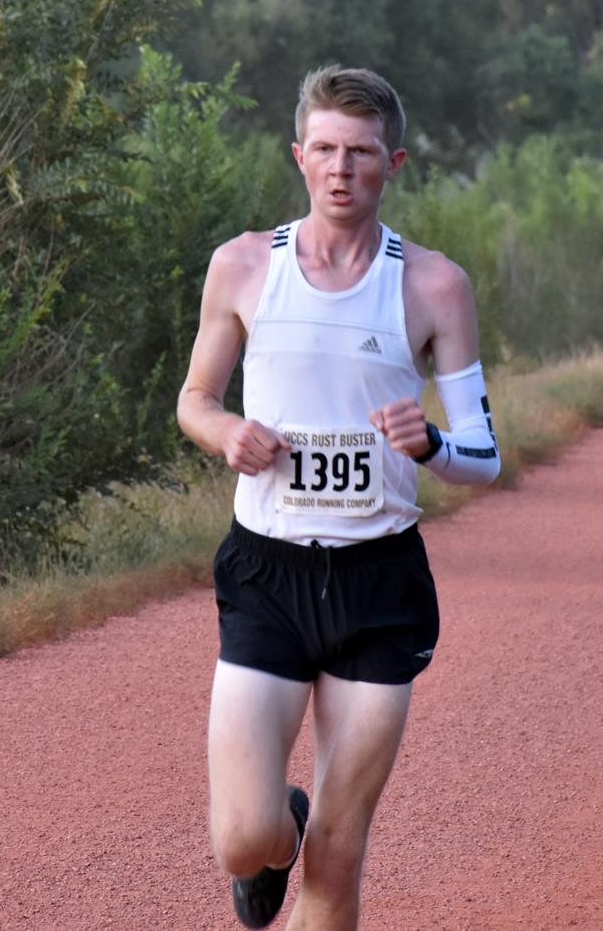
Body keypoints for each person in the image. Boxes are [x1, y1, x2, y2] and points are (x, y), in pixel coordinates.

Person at [176, 65, 501, 929]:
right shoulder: (243, 266)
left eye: (360, 152)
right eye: (324, 149)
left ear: (393, 162)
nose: (341, 169)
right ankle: (276, 823)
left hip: (378, 581)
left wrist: (430, 441)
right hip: (267, 573)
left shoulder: (434, 286)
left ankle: (309, 839)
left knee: (340, 849)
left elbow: (484, 454)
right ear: (299, 155)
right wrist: (227, 433)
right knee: (245, 839)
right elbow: (194, 400)